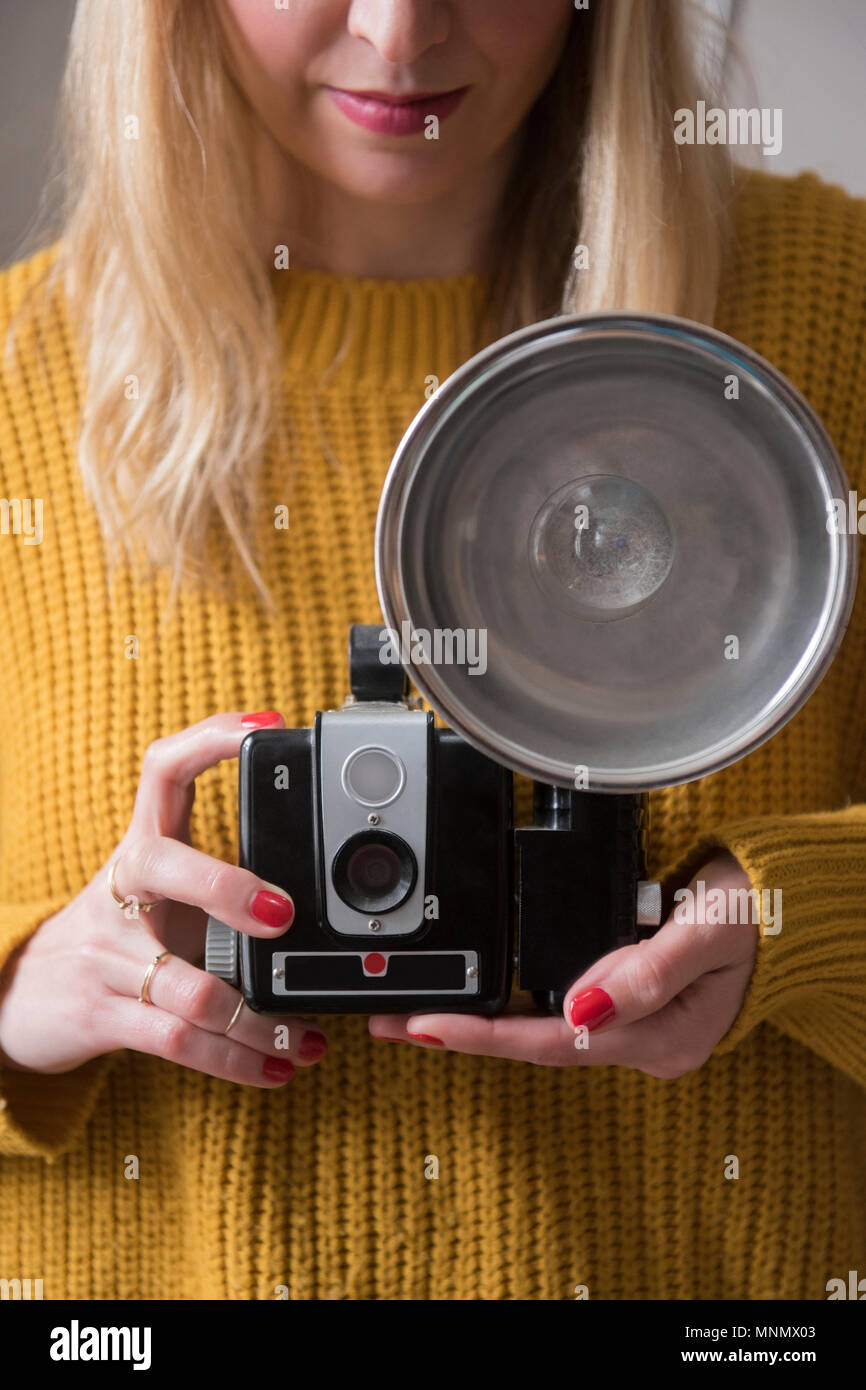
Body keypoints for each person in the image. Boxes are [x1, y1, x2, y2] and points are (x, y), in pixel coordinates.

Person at [0, 0, 863, 1302]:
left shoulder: (830, 315)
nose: (400, 37)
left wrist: (797, 917)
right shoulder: (20, 380)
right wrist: (23, 990)